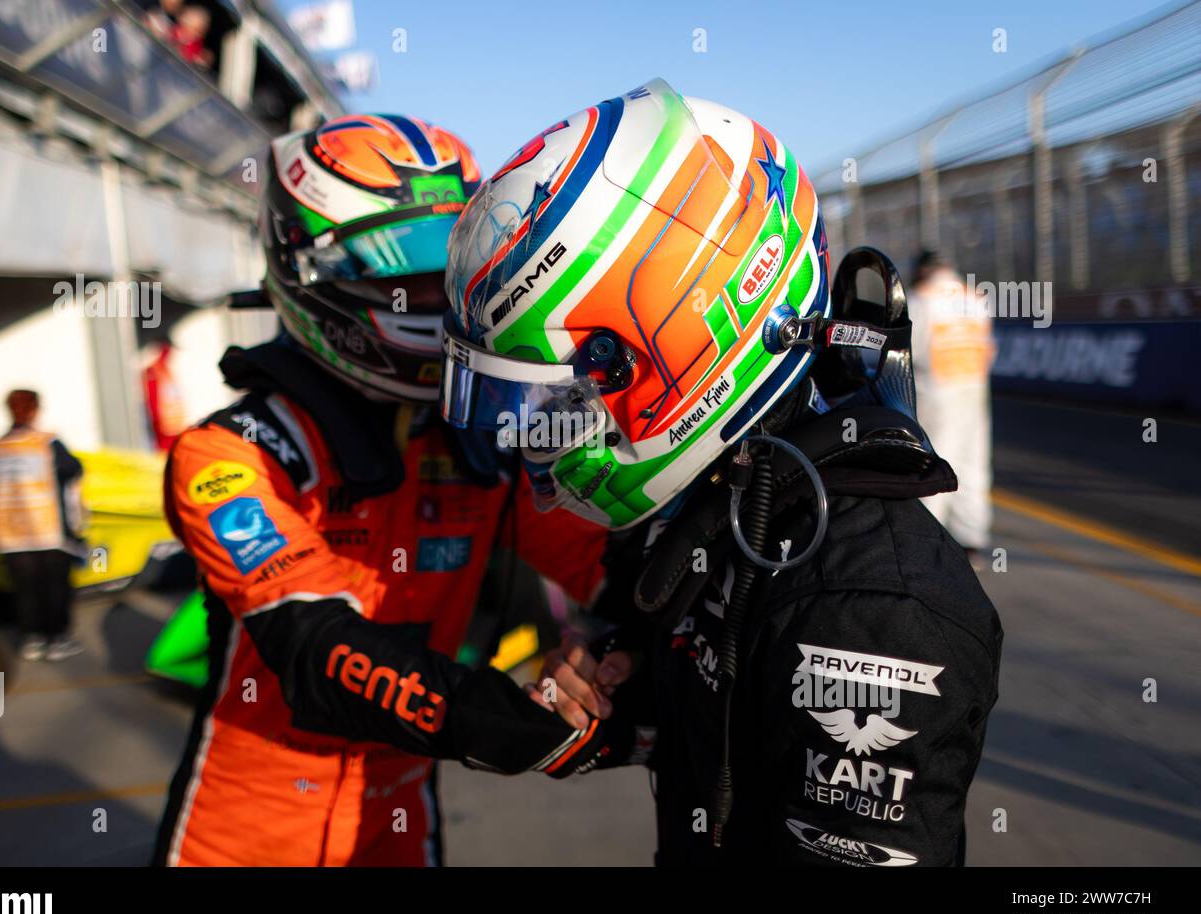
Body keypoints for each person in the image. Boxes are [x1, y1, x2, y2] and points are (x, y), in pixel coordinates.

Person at [439, 79, 1003, 866]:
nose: (539, 431)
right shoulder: (731, 503)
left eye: (557, 394)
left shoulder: (871, 609)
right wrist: (629, 683)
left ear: (678, 350)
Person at [153, 115, 621, 868]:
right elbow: (315, 649)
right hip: (240, 836)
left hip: (399, 825)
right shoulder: (228, 454)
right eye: (408, 270)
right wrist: (507, 721)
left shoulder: (483, 442)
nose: (440, 295)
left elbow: (613, 565)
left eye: (457, 263)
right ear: (305, 268)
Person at [908, 250, 994, 562]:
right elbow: (988, 349)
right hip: (974, 388)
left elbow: (911, 350)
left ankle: (929, 542)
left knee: (935, 461)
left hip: (936, 390)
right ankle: (972, 540)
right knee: (973, 462)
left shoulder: (922, 298)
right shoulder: (976, 297)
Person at [0, 389, 85, 662]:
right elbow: (73, 470)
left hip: (11, 530)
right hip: (46, 527)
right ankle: (58, 639)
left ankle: (32, 639)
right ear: (35, 410)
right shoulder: (46, 442)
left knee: (25, 589)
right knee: (55, 587)